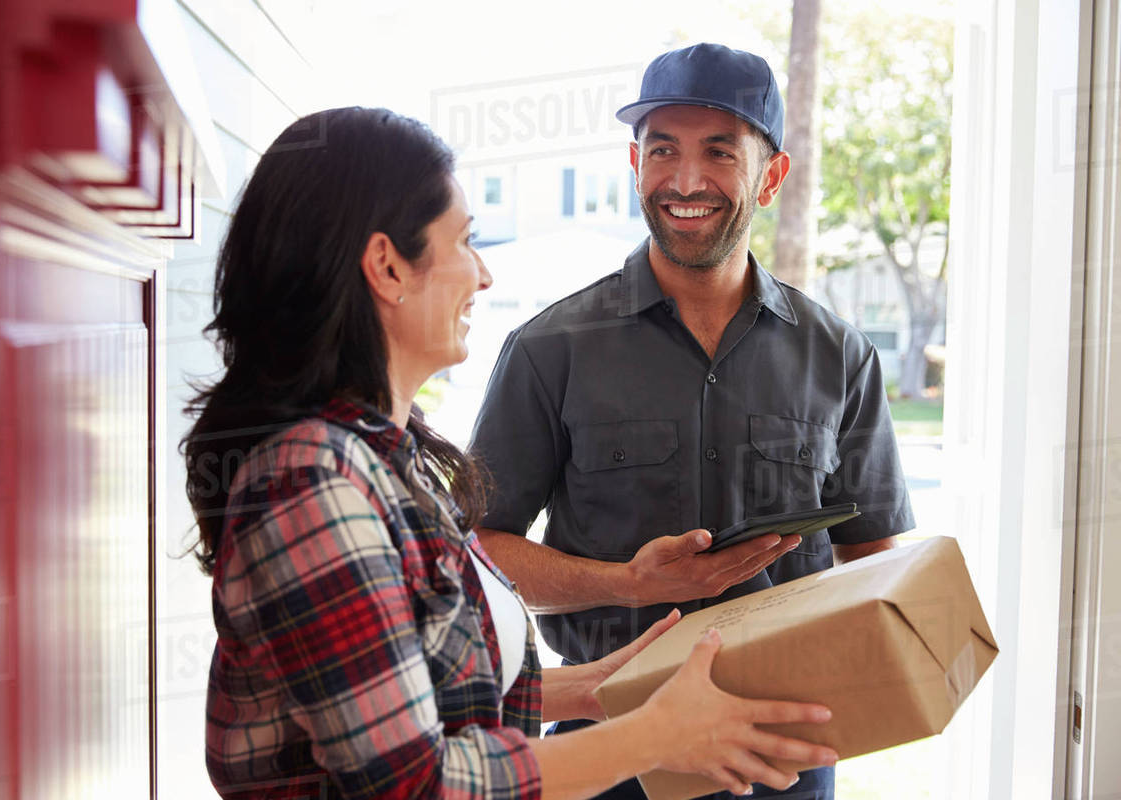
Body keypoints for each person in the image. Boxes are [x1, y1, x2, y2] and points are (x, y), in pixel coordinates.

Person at [183, 106, 838, 800]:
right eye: (465, 241)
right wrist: (653, 736)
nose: (484, 275)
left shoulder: (386, 462)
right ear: (386, 266)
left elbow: (432, 697)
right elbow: (414, 785)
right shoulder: (313, 487)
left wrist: (599, 688)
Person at [468, 43, 916, 800]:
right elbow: (477, 554)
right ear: (633, 162)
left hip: (784, 759)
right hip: (603, 749)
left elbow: (874, 560)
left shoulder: (840, 357)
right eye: (662, 150)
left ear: (771, 175)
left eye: (719, 152)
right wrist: (627, 584)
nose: (685, 180)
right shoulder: (549, 351)